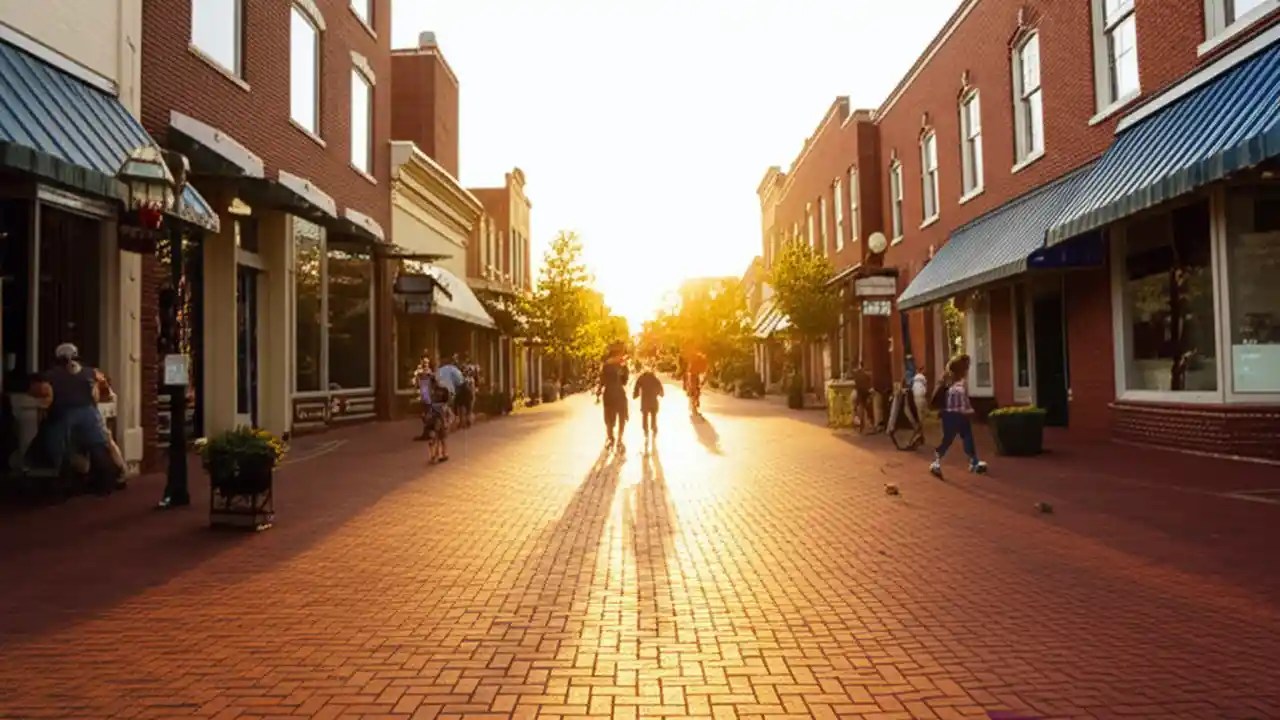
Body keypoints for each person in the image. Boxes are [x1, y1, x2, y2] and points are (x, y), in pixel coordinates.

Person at [28, 343, 123, 492]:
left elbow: (45, 398)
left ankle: (71, 475)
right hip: (89, 416)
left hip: (62, 417)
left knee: (61, 448)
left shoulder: (50, 376)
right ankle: (118, 473)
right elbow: (105, 393)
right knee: (104, 442)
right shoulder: (91, 373)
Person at [930, 354, 987, 477]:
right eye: (966, 367)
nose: (968, 370)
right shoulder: (959, 386)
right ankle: (936, 463)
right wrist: (970, 411)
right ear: (962, 370)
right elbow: (960, 405)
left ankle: (973, 461)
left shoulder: (950, 382)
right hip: (955, 416)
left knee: (963, 438)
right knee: (952, 440)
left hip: (950, 416)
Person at [596, 342, 630, 452]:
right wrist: (623, 370)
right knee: (622, 417)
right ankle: (619, 439)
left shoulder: (605, 365)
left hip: (609, 394)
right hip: (619, 394)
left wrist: (599, 391)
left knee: (609, 419)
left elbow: (602, 380)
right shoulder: (622, 365)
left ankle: (611, 438)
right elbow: (625, 382)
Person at [415, 358, 449, 463]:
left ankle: (441, 454)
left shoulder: (443, 390)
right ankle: (436, 454)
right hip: (435, 415)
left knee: (440, 437)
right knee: (435, 437)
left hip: (439, 415)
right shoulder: (430, 389)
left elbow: (445, 402)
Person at [632, 363, 664, 449]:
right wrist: (660, 393)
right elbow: (660, 387)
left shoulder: (642, 377)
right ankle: (653, 427)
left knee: (645, 415)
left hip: (645, 401)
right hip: (653, 400)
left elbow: (637, 386)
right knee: (653, 414)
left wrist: (635, 395)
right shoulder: (655, 378)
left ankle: (645, 430)